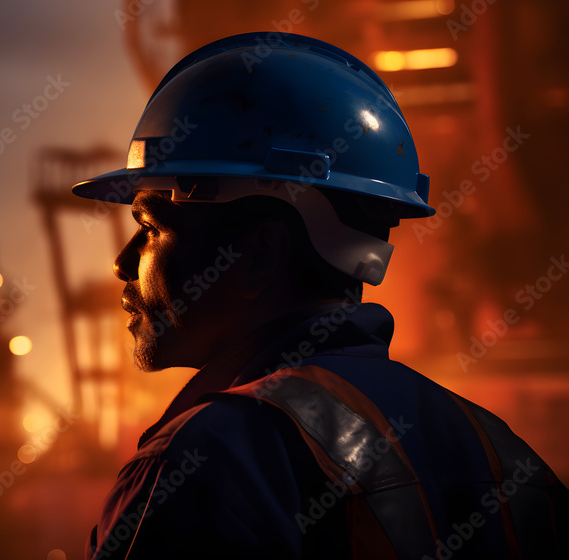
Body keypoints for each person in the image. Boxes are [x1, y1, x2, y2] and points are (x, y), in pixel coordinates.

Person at [71, 33, 568, 559]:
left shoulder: (209, 460)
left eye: (150, 225)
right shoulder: (504, 454)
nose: (122, 263)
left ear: (261, 254)